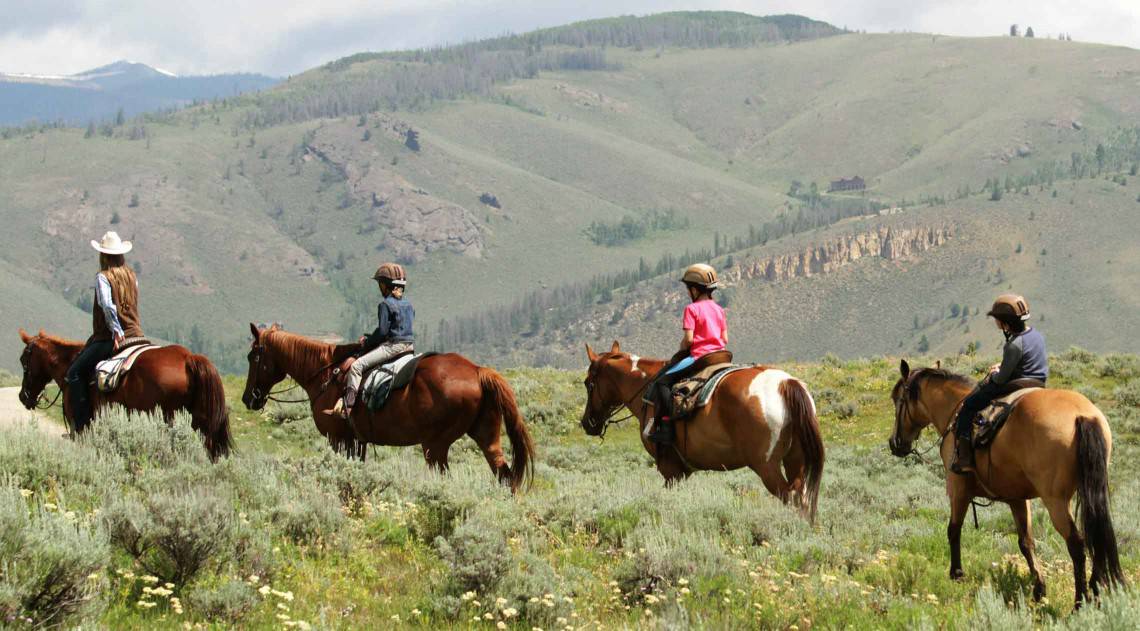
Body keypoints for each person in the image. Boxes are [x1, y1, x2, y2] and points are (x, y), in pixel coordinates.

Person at [951, 294, 1048, 474]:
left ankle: (965, 458)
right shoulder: (1036, 335)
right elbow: (1025, 361)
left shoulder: (1014, 344)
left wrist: (995, 373)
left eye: (997, 319)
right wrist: (1003, 366)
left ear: (1005, 322)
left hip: (1017, 385)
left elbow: (1002, 379)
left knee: (969, 405)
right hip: (1038, 382)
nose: (995, 322)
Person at [66, 231, 144, 431]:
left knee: (74, 373)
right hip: (136, 335)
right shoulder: (132, 276)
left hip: (109, 338)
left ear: (103, 256)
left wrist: (117, 331)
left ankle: (83, 427)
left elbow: (108, 306)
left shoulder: (103, 277)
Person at [645, 263, 729, 444]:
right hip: (720, 355)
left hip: (700, 357)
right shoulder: (719, 309)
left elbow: (689, 341)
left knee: (662, 382)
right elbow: (725, 338)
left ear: (694, 289)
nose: (687, 293)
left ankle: (666, 428)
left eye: (687, 289)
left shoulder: (691, 309)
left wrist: (682, 346)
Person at [325, 263, 415, 420]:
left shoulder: (385, 304)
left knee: (356, 366)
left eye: (380, 283)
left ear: (385, 285)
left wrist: (367, 343)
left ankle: (348, 407)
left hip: (393, 347)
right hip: (409, 347)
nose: (379, 287)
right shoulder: (408, 304)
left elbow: (383, 332)